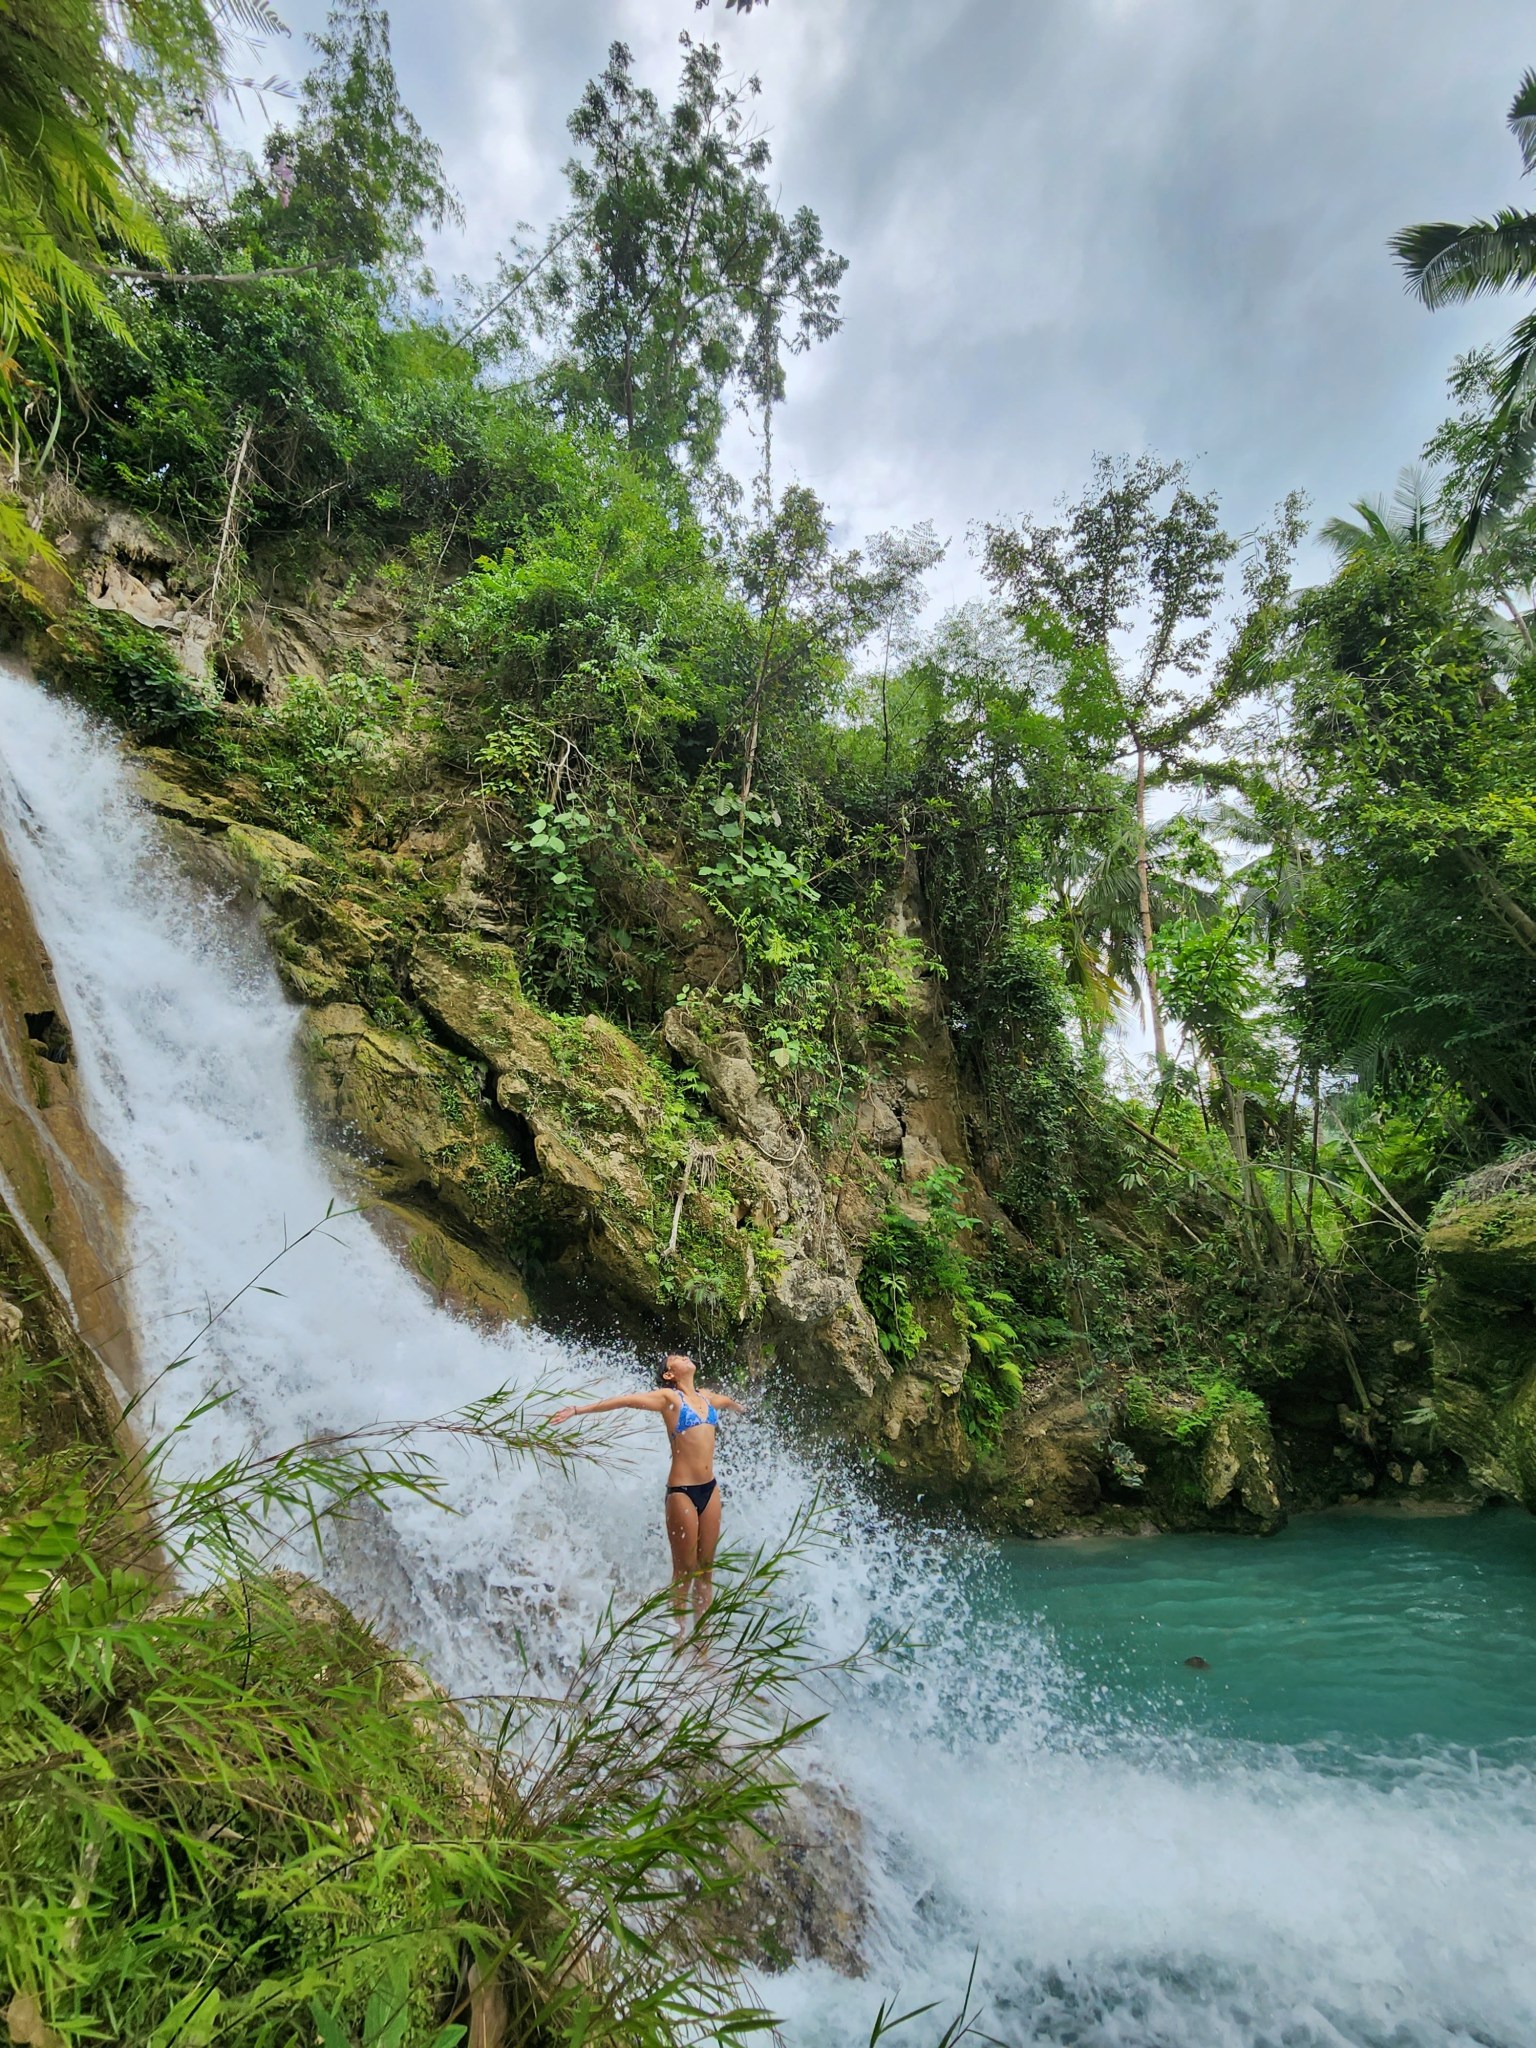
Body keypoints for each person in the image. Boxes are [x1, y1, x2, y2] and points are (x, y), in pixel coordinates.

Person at [551, 1353, 746, 1641]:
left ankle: (702, 1647)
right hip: (683, 1493)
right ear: (669, 1374)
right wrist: (579, 1410)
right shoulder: (669, 1398)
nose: (685, 1356)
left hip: (710, 1489)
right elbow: (626, 1400)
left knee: (706, 1571)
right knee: (684, 1573)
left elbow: (728, 1402)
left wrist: (742, 1408)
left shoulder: (706, 1398)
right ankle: (677, 1644)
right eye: (677, 1358)